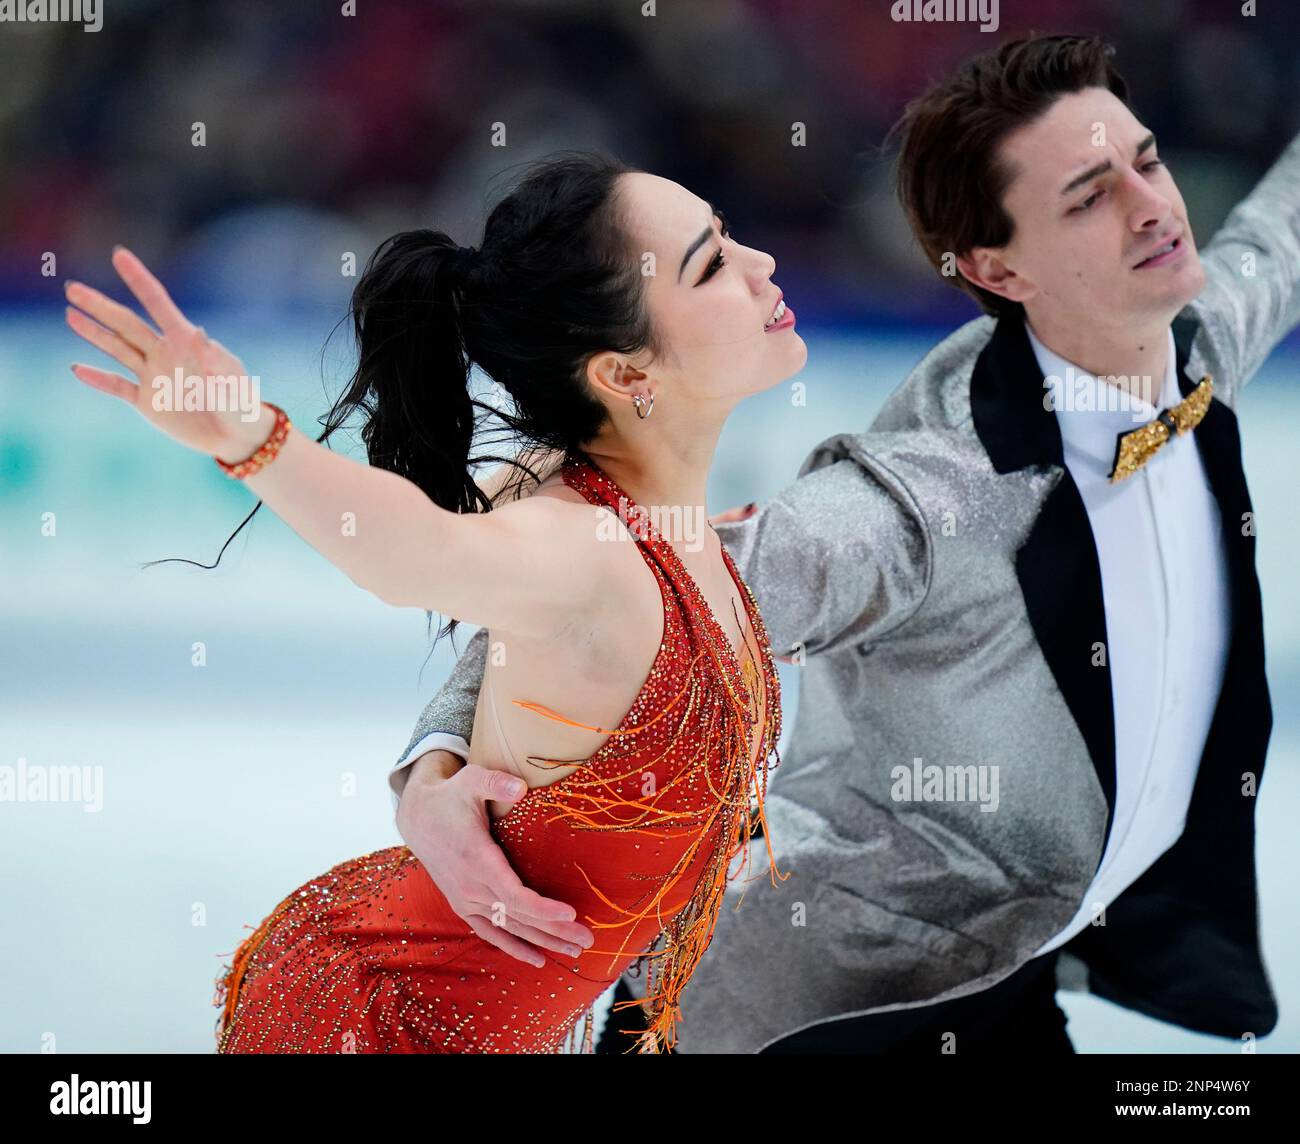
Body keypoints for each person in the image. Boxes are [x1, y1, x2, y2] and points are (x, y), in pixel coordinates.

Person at [391, 35, 1291, 1053]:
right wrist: (439, 765)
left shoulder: (1195, 338)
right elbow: (614, 595)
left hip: (996, 971)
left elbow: (1278, 230)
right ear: (998, 266)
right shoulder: (923, 501)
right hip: (823, 1003)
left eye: (1147, 160)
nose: (1150, 207)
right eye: (1087, 196)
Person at [62, 151, 808, 1052]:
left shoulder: (640, 514)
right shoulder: (584, 551)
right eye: (713, 262)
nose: (761, 265)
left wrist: (432, 772)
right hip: (378, 1023)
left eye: (725, 238)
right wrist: (252, 438)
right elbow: (418, 551)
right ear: (623, 373)